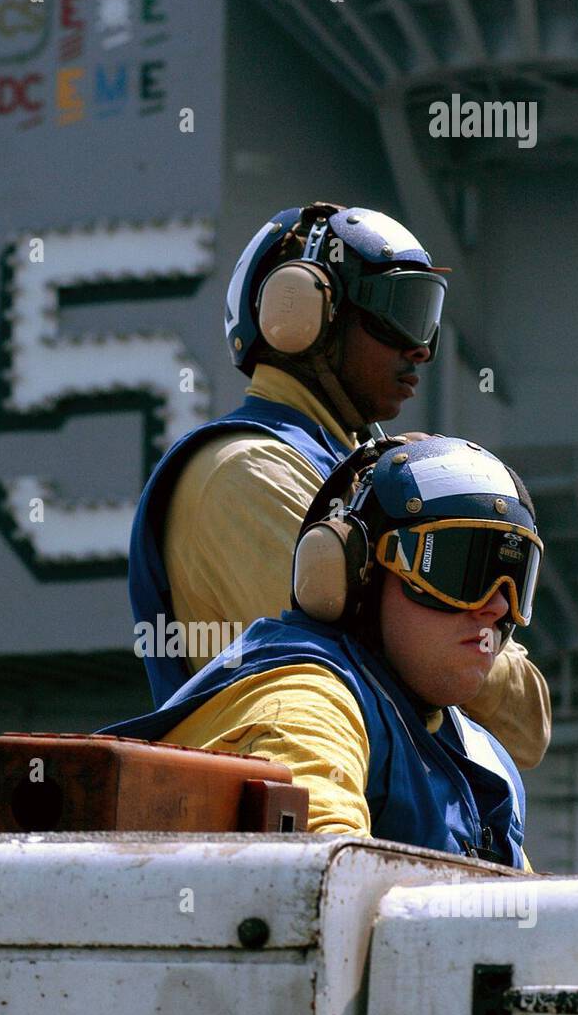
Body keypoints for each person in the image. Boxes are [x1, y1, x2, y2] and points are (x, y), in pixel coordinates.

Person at [128, 202, 550, 770]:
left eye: (424, 316)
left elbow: (528, 723)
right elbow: (476, 693)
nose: (420, 348)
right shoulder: (247, 471)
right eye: (396, 311)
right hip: (306, 815)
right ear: (300, 313)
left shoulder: (354, 473)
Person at [103, 437, 543, 871]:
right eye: (460, 568)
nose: (498, 604)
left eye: (513, 576)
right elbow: (329, 878)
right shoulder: (302, 701)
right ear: (357, 570)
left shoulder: (484, 758)